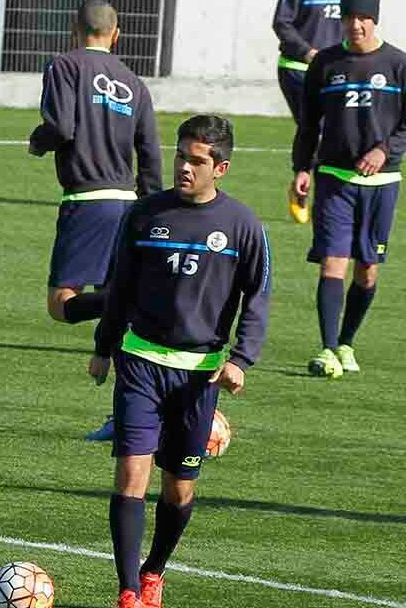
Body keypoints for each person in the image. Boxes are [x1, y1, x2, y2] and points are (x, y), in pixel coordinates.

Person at [90, 115, 271, 608]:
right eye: (180, 156)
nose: (184, 168)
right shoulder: (145, 214)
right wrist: (104, 347)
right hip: (140, 362)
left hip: (200, 376)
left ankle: (153, 571)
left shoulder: (242, 225)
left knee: (179, 487)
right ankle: (128, 592)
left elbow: (258, 298)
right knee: (131, 474)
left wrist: (241, 359)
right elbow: (120, 287)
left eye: (197, 161)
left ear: (221, 168)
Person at [28, 0, 162, 441]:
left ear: (75, 29)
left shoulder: (64, 66)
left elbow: (61, 127)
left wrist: (38, 142)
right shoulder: (134, 82)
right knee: (118, 327)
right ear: (116, 34)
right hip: (130, 203)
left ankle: (126, 299)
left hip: (88, 201)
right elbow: (150, 152)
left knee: (60, 305)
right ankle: (126, 418)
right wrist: (154, 209)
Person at [290, 0, 405, 378]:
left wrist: (384, 150)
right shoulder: (325, 63)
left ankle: (346, 342)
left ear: (374, 20)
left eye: (363, 18)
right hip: (334, 179)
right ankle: (326, 349)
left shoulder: (398, 64)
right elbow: (309, 123)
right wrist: (301, 168)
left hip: (382, 183)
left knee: (367, 271)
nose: (355, 25)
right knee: (333, 261)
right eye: (349, 18)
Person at [274, 0, 344, 224]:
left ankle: (329, 196)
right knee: (315, 126)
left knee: (337, 131)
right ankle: (302, 186)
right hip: (298, 69)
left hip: (337, 71)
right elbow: (282, 23)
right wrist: (306, 52)